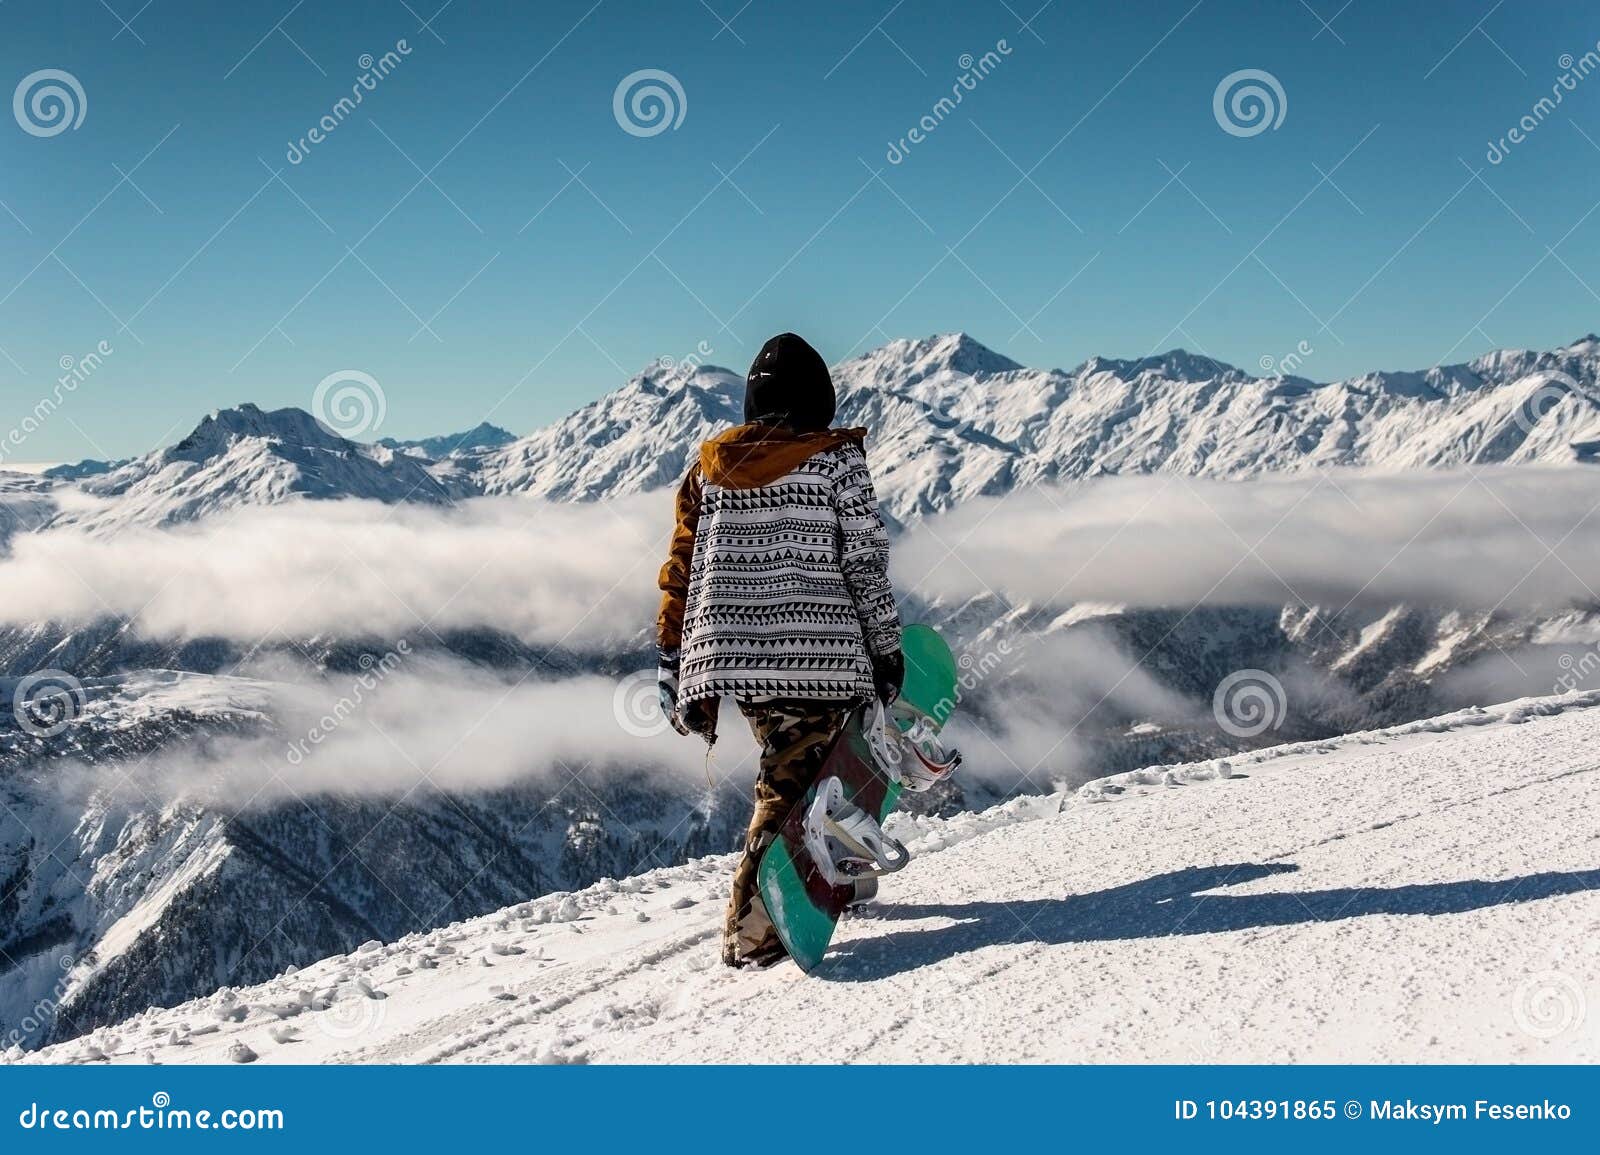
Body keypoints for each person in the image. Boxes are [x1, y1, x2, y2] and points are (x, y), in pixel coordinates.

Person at [655, 332, 904, 968]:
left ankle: (833, 874)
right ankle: (753, 929)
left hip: (733, 657)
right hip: (822, 651)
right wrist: (886, 650)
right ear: (819, 400)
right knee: (795, 784)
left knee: (800, 771)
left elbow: (680, 567)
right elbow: (865, 565)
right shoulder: (837, 462)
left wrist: (671, 659)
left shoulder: (709, 470)